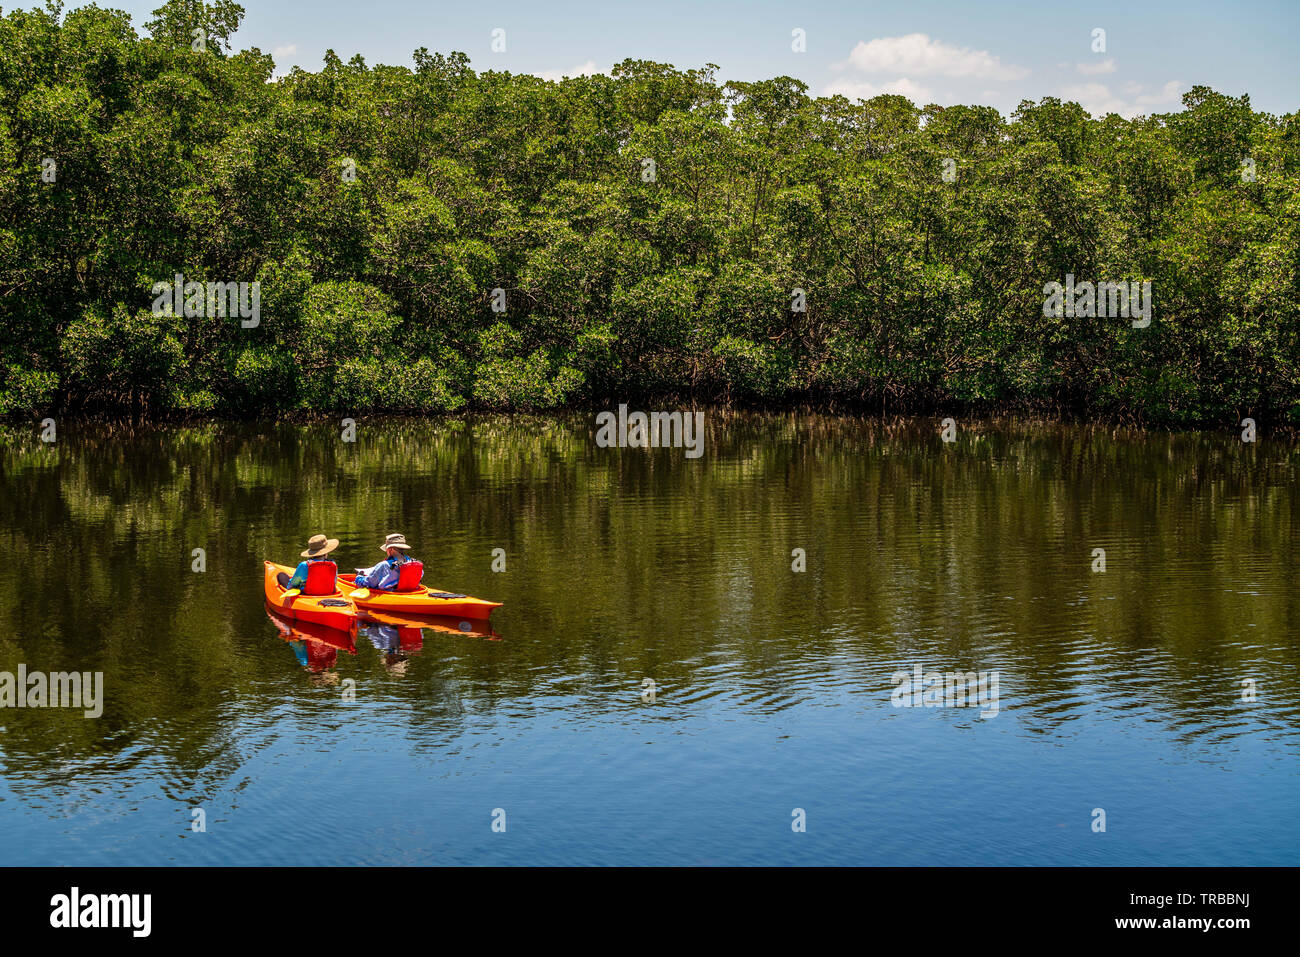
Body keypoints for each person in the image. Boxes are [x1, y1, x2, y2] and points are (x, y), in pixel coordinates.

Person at [355, 533, 422, 591]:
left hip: (390, 594)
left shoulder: (384, 565)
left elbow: (368, 583)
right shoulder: (413, 562)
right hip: (410, 592)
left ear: (390, 549)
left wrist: (359, 577)